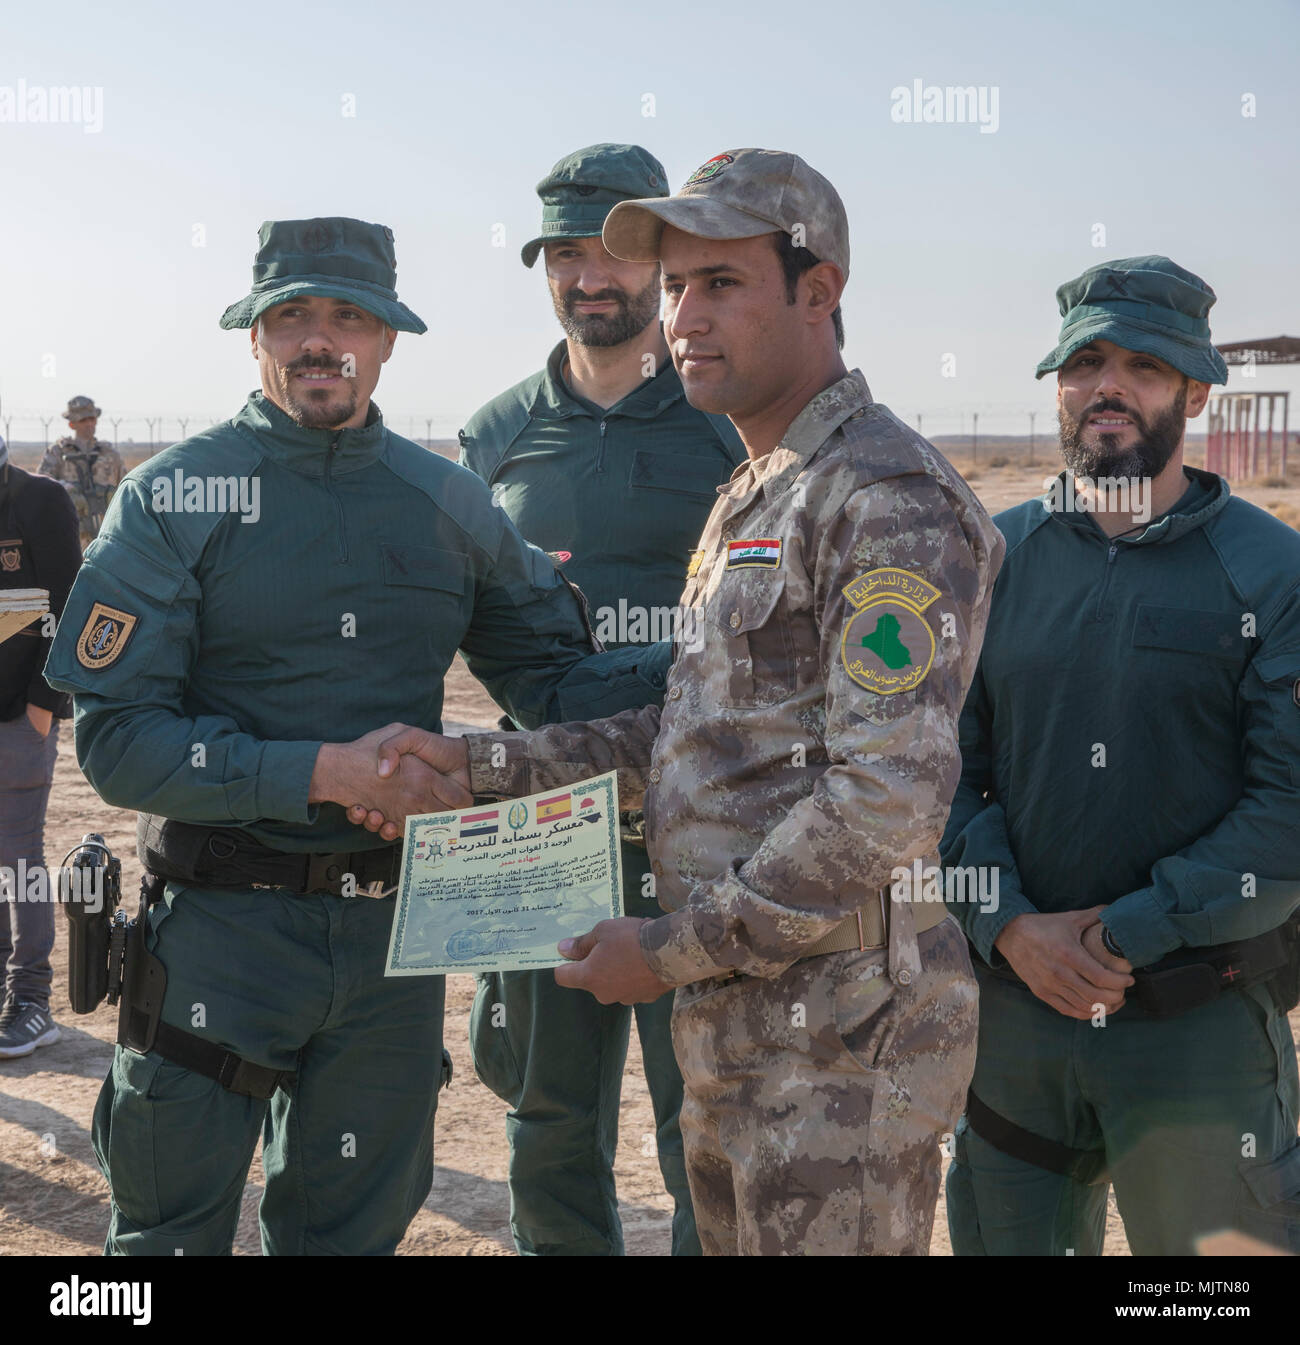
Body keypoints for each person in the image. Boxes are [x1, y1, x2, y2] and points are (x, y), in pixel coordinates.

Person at [353, 149, 1005, 1255]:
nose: (683, 315)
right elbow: (691, 734)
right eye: (674, 286)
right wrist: (476, 768)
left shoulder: (883, 495)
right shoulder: (759, 488)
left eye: (720, 283)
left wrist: (662, 953)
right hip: (747, 1029)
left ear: (819, 291)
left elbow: (882, 798)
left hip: (838, 1041)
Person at [43, 216, 665, 1256]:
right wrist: (319, 772)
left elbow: (556, 683)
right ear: (254, 337)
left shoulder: (447, 502)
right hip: (218, 936)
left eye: (348, 317)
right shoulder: (174, 499)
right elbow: (120, 747)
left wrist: (722, 653)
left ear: (386, 339)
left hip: (392, 947)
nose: (318, 340)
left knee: (350, 1234)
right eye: (291, 316)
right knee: (157, 1246)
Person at [940, 256, 1300, 1255]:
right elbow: (943, 776)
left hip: (1197, 1036)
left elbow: (1286, 812)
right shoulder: (991, 561)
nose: (1108, 385)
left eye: (1143, 366)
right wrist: (1009, 925)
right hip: (1014, 1033)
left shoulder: (1271, 572)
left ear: (1193, 392)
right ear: (1057, 383)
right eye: (1085, 361)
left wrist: (1118, 937)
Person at [457, 141, 744, 1257]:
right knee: (545, 1107)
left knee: (702, 1107)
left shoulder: (724, 414)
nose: (591, 277)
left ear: (661, 263)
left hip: (700, 808)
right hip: (541, 810)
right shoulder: (493, 435)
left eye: (615, 254)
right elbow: (472, 610)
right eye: (565, 253)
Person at [0, 435, 81, 1057]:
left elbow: (70, 605)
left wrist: (43, 704)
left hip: (17, 719)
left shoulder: (39, 500)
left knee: (18, 857)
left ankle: (31, 999)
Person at [39, 396, 124, 548]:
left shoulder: (110, 454)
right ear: (72, 424)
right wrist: (66, 489)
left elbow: (125, 488)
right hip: (69, 534)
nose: (89, 424)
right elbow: (41, 487)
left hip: (107, 535)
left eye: (92, 419)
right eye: (83, 421)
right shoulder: (57, 452)